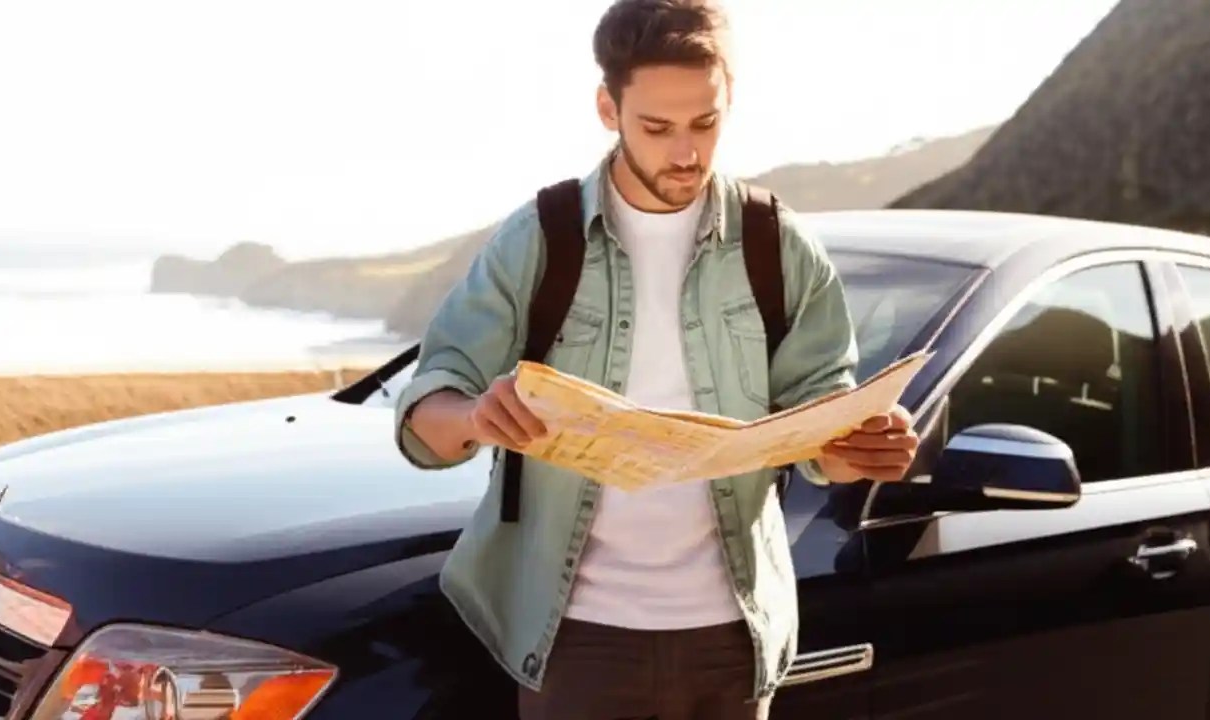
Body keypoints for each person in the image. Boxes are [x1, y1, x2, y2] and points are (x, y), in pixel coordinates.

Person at [393, 1, 918, 717]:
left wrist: (864, 449)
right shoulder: (541, 237)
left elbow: (824, 430)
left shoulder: (777, 244)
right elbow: (428, 405)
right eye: (657, 127)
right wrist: (477, 417)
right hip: (575, 638)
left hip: (732, 635)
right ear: (608, 109)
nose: (686, 153)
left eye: (705, 123)